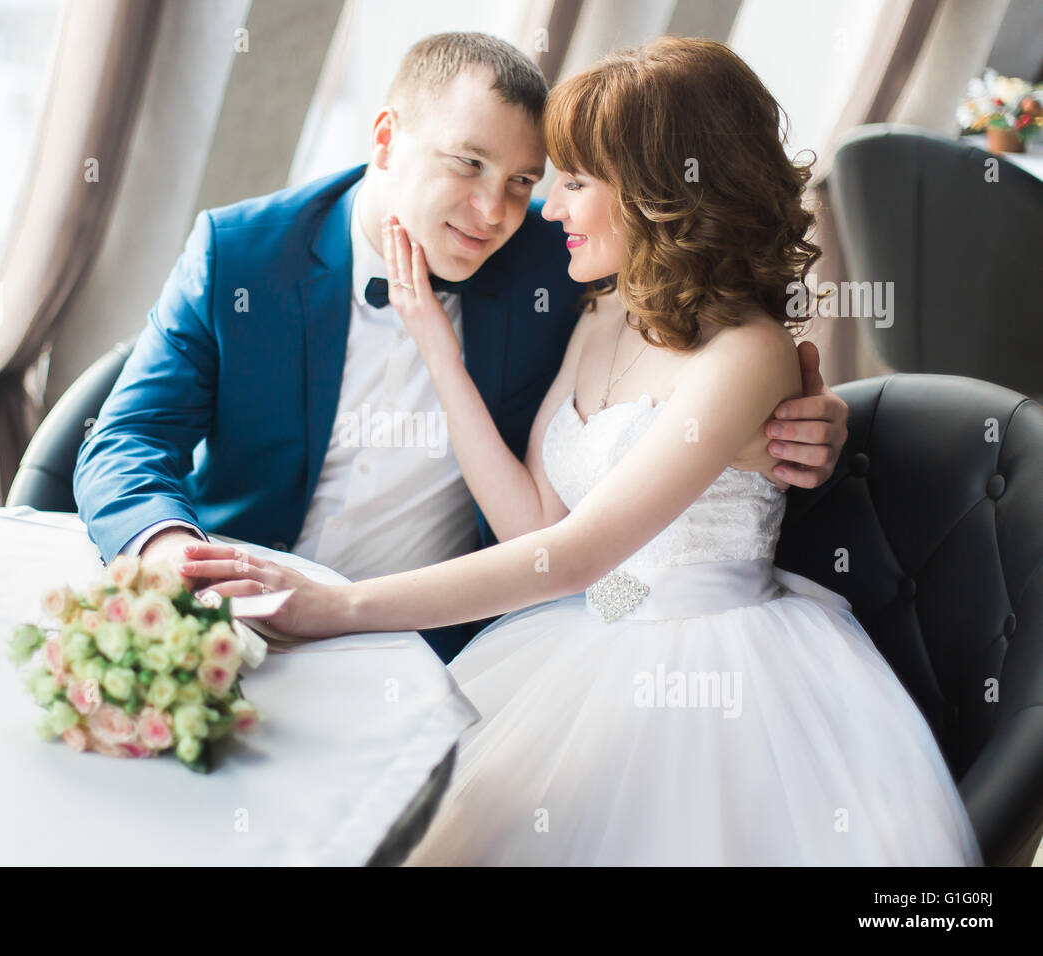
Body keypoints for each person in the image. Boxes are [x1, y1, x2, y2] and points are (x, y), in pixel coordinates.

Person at [182, 37, 983, 865]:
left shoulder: (749, 353)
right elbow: (531, 522)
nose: (546, 210)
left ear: (655, 192)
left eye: (569, 183)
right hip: (578, 638)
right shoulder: (603, 314)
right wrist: (438, 351)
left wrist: (337, 608)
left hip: (711, 674)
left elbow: (571, 557)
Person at [73, 32, 847, 665]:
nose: (502, 212)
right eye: (467, 164)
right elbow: (128, 439)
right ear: (387, 138)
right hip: (245, 609)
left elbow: (692, 376)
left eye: (526, 180)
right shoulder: (242, 255)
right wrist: (173, 549)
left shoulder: (566, 268)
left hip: (442, 643)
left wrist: (808, 419)